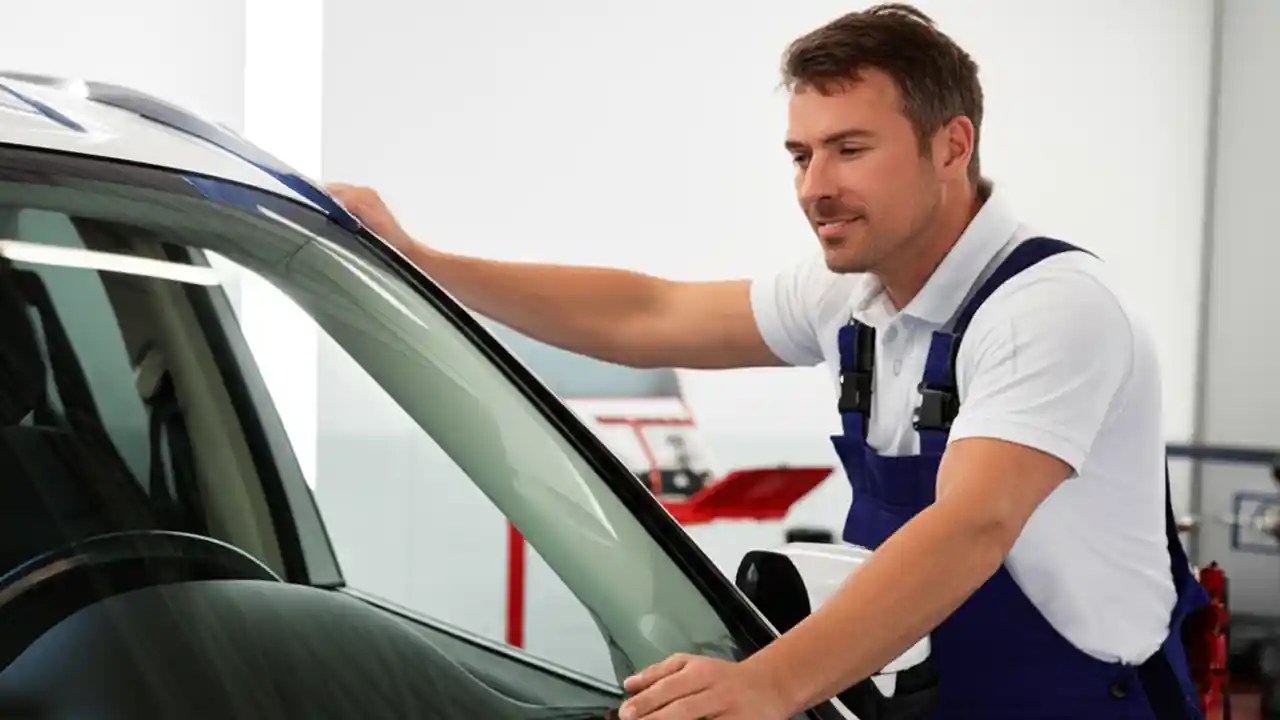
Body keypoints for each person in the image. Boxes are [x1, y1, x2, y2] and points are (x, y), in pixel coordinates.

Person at [327, 4, 1209, 718]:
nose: (814, 186)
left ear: (952, 145)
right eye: (801, 154)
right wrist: (424, 260)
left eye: (850, 149)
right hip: (911, 694)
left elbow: (972, 526)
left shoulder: (1049, 311)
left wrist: (772, 684)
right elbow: (649, 313)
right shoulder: (853, 298)